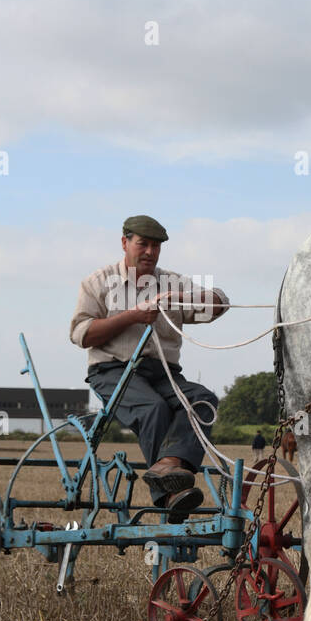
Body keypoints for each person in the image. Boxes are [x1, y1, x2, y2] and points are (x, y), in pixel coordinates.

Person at [70, 215, 229, 522]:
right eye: (143, 244)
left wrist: (181, 298)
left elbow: (220, 302)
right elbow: (82, 334)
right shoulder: (98, 282)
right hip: (112, 371)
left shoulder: (171, 282)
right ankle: (170, 495)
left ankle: (168, 467)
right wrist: (132, 316)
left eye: (156, 246)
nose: (149, 252)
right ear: (124, 243)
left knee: (203, 400)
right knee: (153, 409)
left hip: (163, 373)